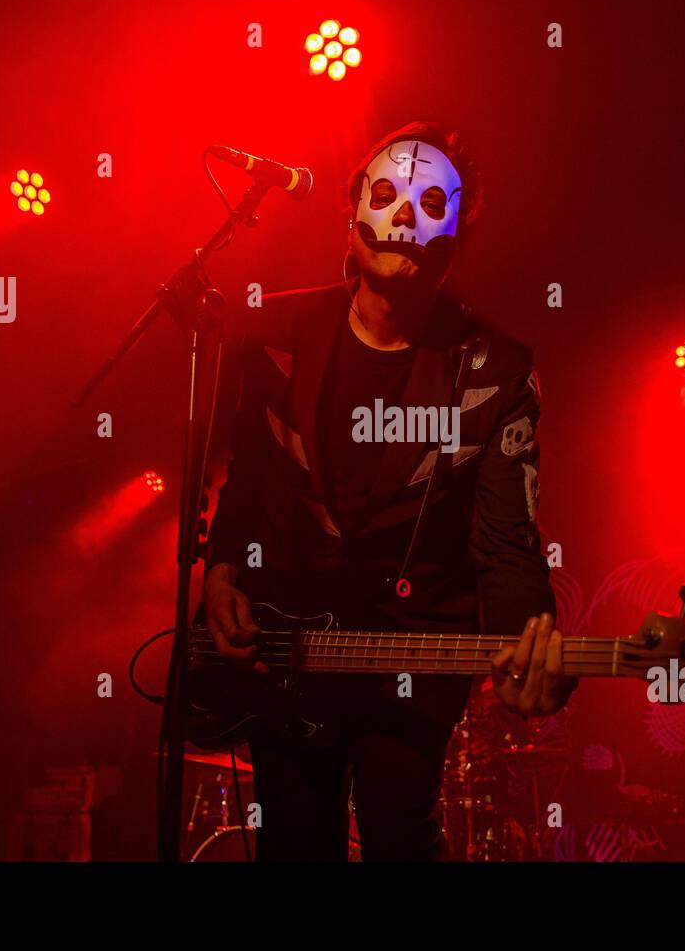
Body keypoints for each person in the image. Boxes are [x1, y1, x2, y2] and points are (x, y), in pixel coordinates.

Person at [202, 122, 576, 860]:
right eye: (385, 194)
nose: (404, 215)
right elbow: (248, 476)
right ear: (352, 215)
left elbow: (506, 538)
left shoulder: (493, 370)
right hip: (286, 650)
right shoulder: (271, 332)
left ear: (457, 236)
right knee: (293, 843)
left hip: (413, 655)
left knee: (399, 833)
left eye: (431, 200)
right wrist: (220, 571)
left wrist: (530, 644)